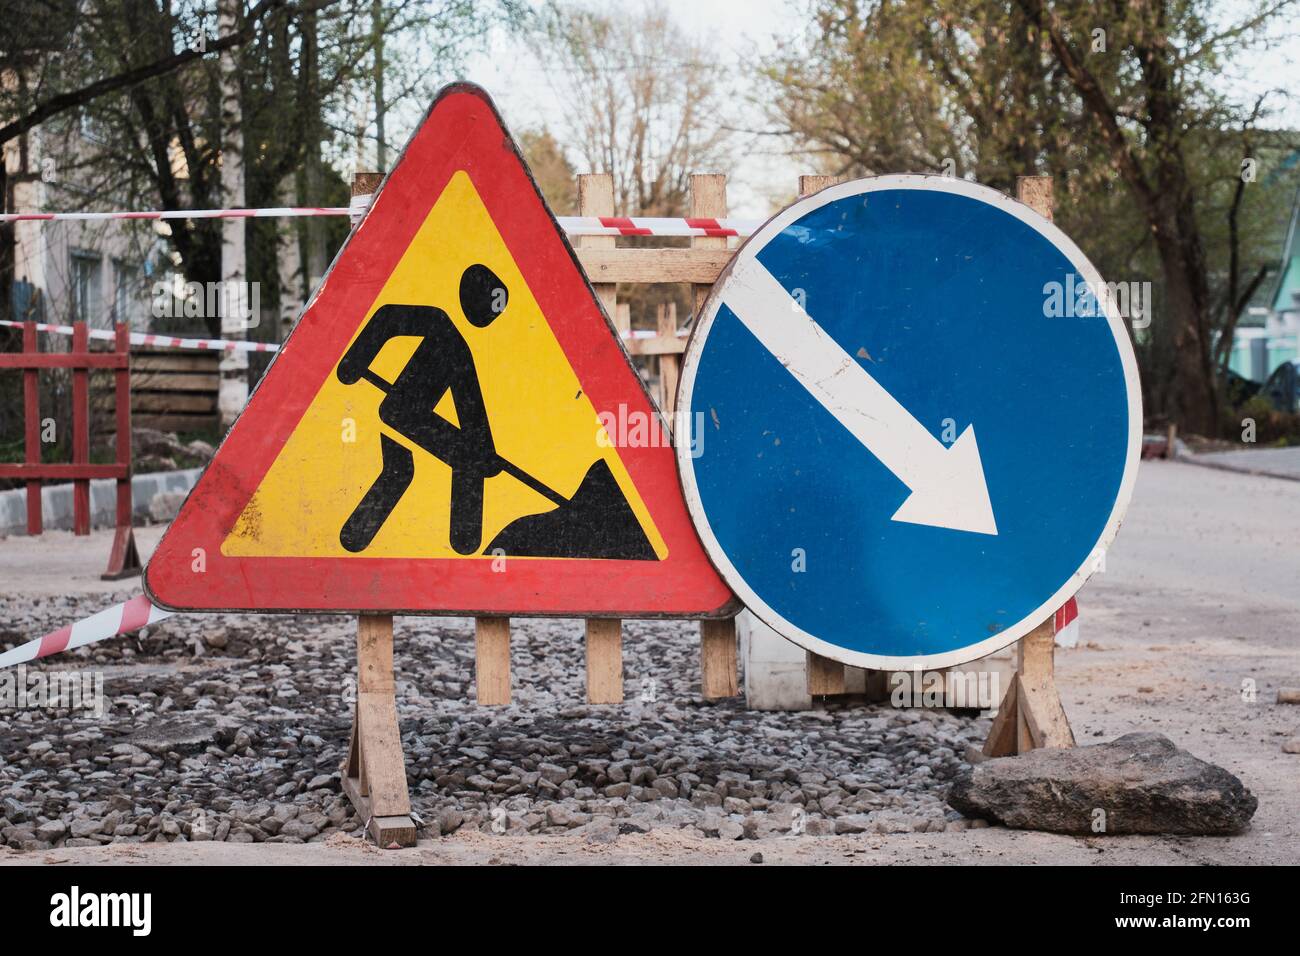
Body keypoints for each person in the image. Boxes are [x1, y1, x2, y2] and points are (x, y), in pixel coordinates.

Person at [336, 264, 508, 554]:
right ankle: (464, 537)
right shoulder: (441, 325)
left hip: (407, 416)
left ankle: (464, 538)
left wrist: (485, 451)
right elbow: (387, 317)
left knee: (408, 470)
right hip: (402, 412)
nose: (496, 312)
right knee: (411, 469)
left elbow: (470, 408)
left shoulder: (460, 348)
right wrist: (353, 362)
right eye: (494, 305)